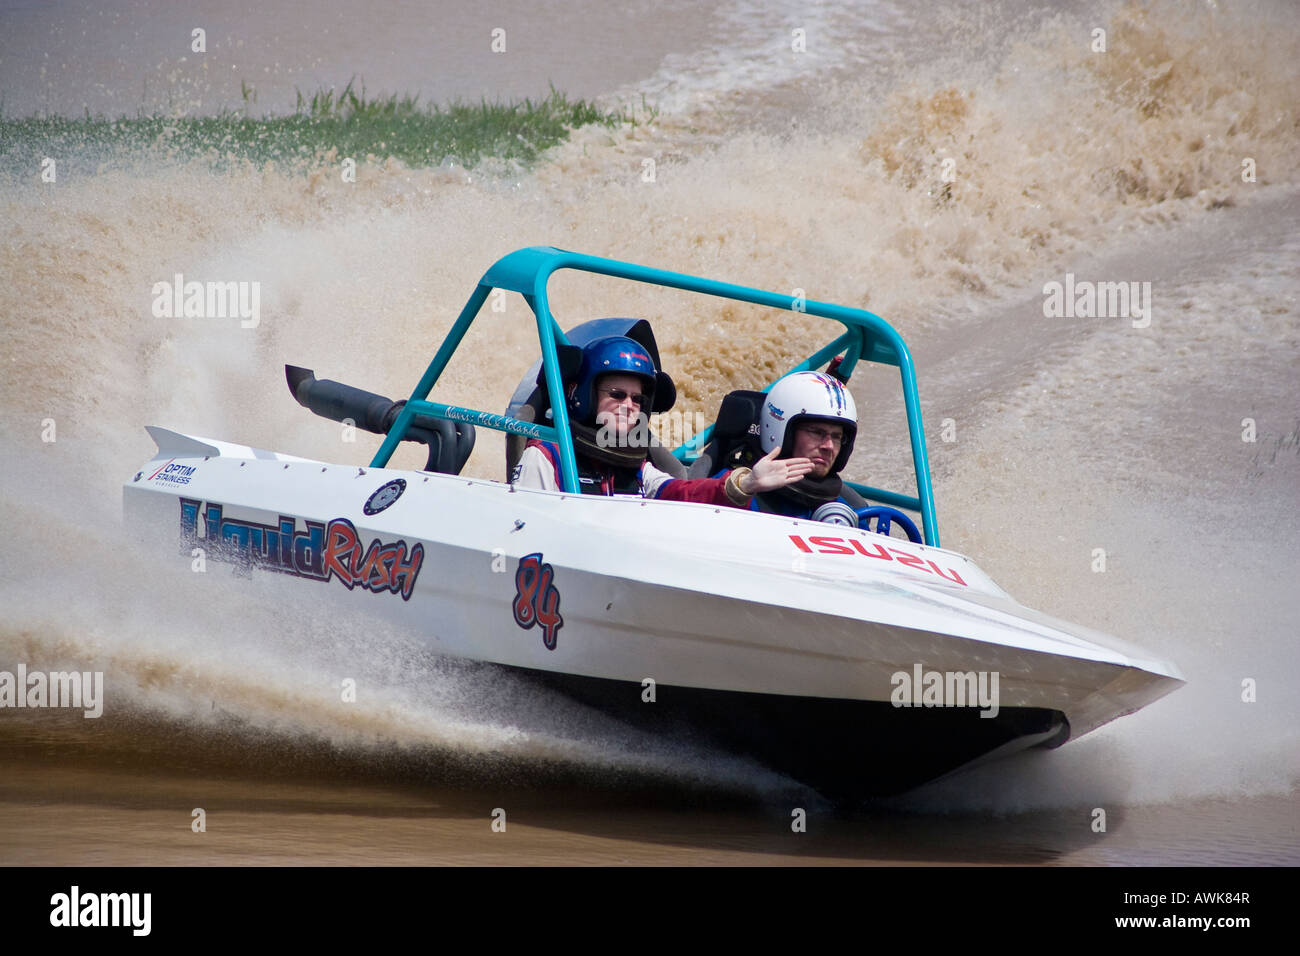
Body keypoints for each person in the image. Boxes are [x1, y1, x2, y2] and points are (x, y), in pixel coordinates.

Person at [511, 335, 809, 506]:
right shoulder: (546, 458)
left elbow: (683, 494)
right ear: (581, 394)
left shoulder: (638, 469)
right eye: (617, 394)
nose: (629, 405)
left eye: (637, 399)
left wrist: (745, 482)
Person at [728, 370, 862, 520]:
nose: (829, 446)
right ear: (783, 432)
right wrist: (743, 487)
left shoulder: (848, 513)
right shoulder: (732, 492)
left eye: (837, 437)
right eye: (817, 432)